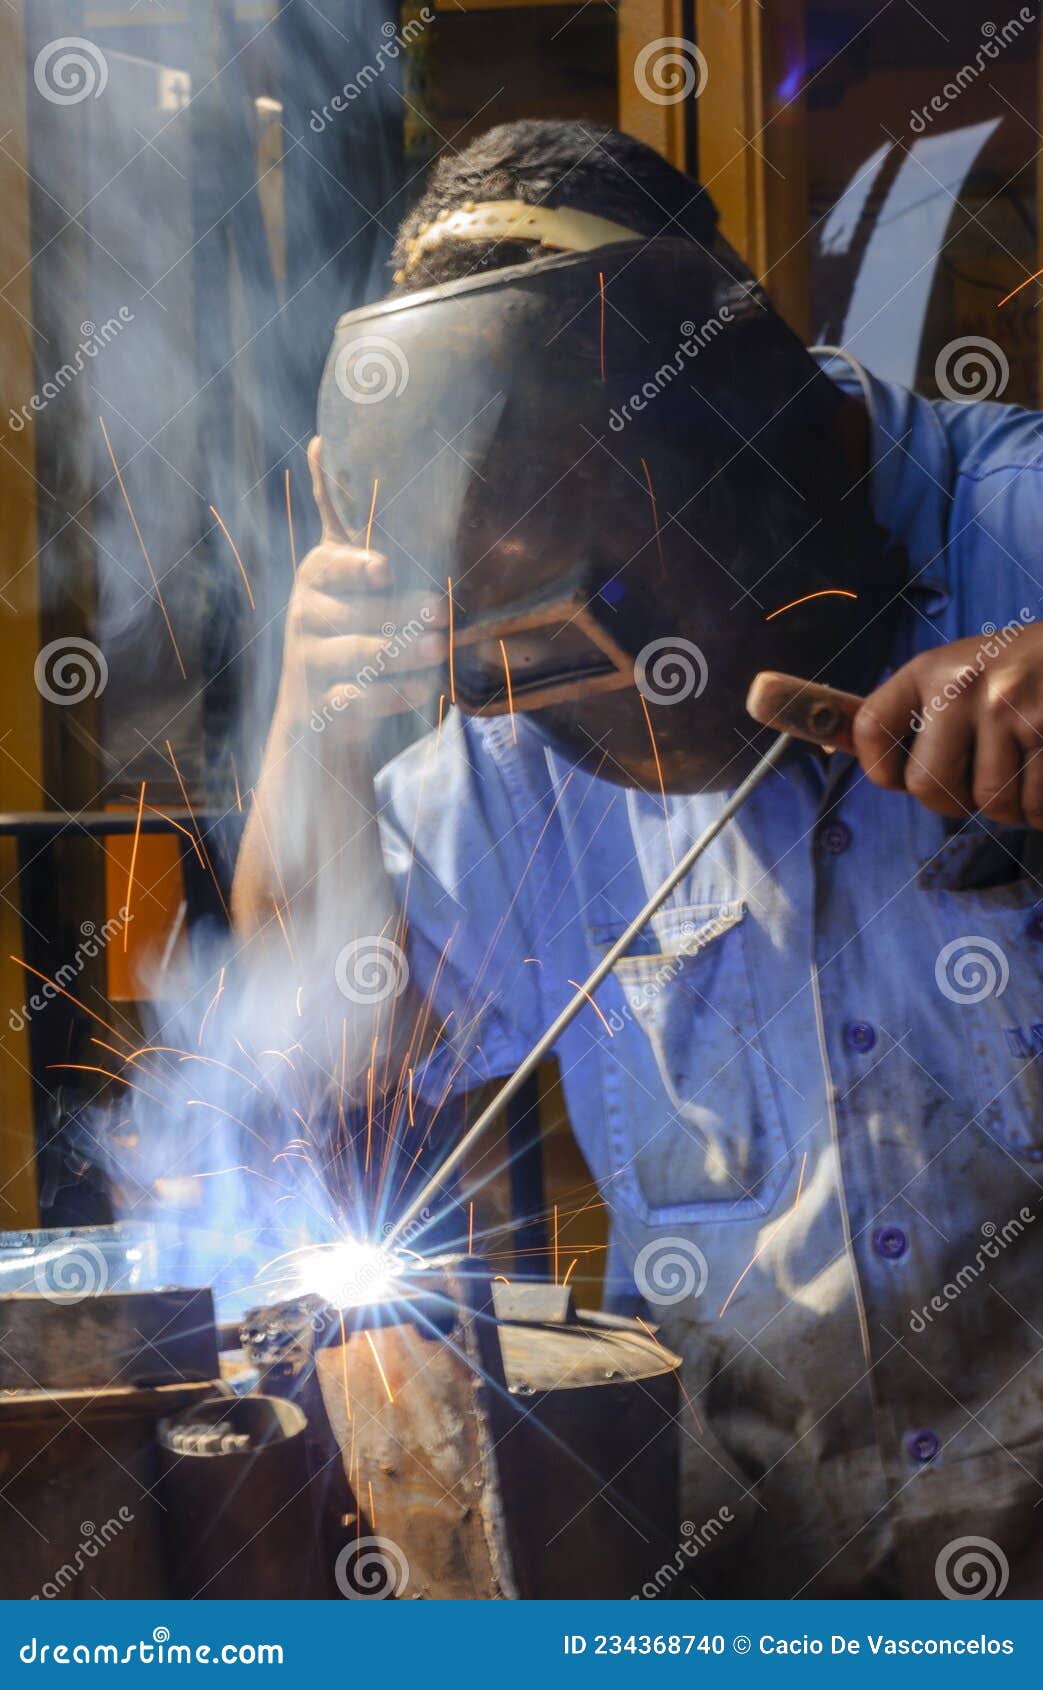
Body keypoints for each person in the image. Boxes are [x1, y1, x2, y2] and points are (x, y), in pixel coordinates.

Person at [233, 121, 1043, 1599]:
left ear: (723, 418)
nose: (585, 712)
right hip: (768, 1569)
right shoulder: (511, 696)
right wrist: (316, 744)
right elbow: (320, 1060)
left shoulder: (1017, 526)